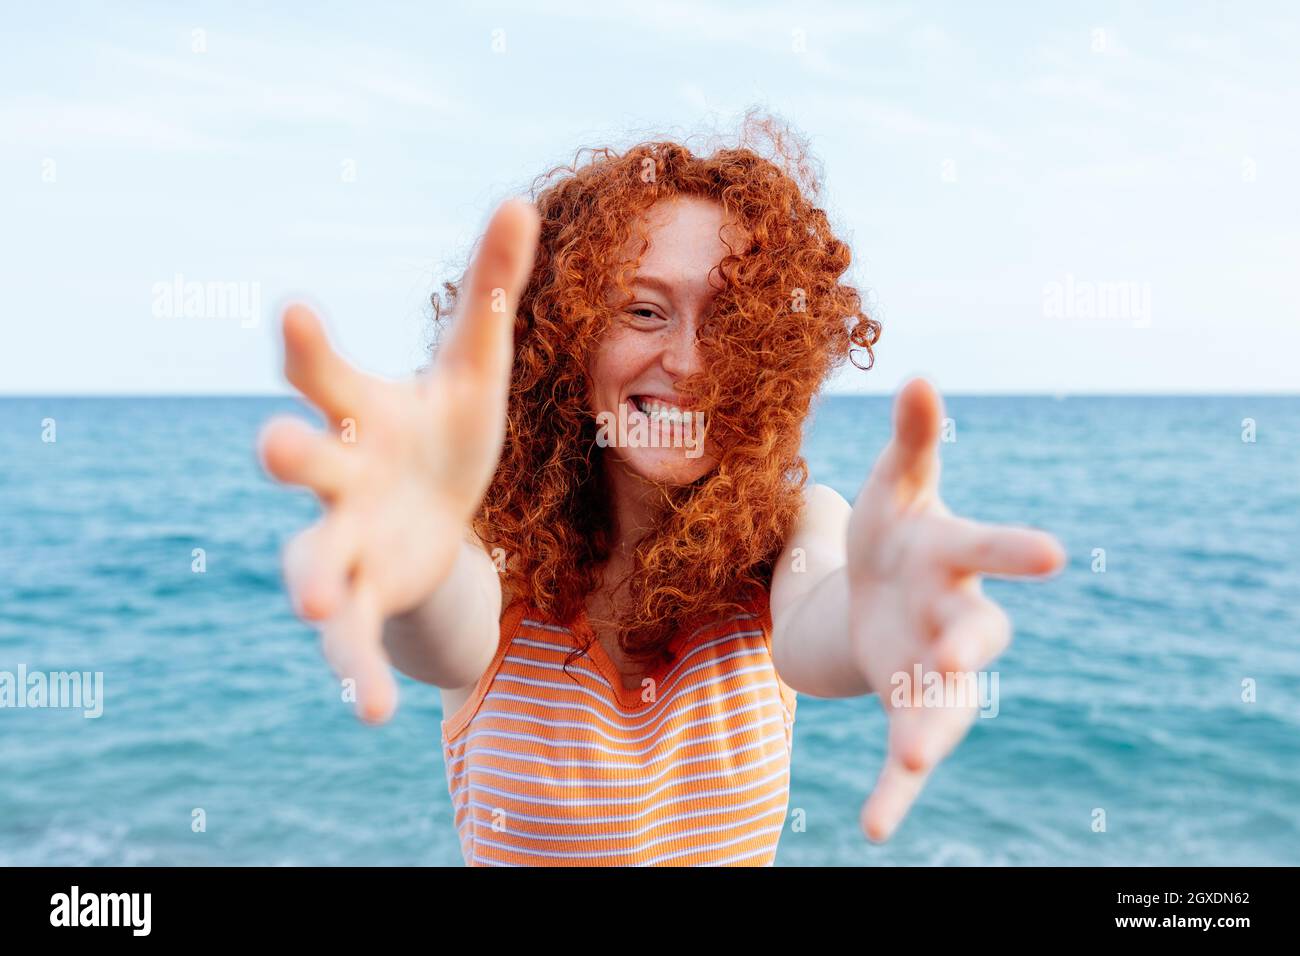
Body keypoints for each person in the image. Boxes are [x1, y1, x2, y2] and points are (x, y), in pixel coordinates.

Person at [257, 117, 1065, 866]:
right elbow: (442, 632)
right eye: (644, 310)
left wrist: (884, 618)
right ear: (566, 334)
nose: (687, 361)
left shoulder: (794, 535)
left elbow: (825, 619)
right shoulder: (489, 557)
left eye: (729, 323)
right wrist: (420, 555)